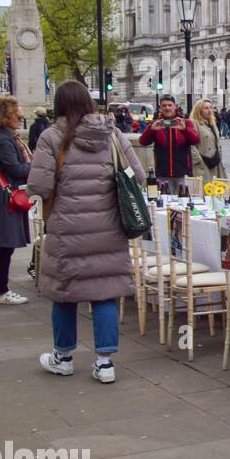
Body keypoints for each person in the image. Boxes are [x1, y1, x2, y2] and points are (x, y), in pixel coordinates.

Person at [31, 81, 145, 384]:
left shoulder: (51, 137)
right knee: (104, 293)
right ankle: (105, 363)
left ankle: (63, 357)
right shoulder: (113, 135)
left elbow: (40, 187)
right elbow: (139, 175)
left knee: (65, 294)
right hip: (108, 229)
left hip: (67, 231)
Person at [0, 96, 31, 305]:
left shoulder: (4, 137)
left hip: (3, 197)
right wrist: (36, 166)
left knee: (6, 246)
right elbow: (16, 169)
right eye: (18, 116)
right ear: (7, 117)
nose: (21, 119)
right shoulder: (3, 141)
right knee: (7, 245)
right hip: (5, 198)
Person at [138, 95, 198, 193]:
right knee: (161, 203)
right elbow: (143, 142)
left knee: (182, 203)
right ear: (160, 108)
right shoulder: (155, 124)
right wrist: (151, 130)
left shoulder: (186, 123)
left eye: (170, 105)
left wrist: (184, 130)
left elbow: (195, 140)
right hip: (161, 174)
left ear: (175, 106)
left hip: (182, 174)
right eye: (164, 106)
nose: (167, 108)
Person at [189, 99, 227, 184]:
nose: (209, 110)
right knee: (204, 190)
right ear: (199, 110)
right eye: (206, 108)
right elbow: (191, 144)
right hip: (203, 162)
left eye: (211, 108)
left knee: (216, 189)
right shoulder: (194, 123)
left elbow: (217, 142)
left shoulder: (212, 123)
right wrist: (199, 160)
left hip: (215, 162)